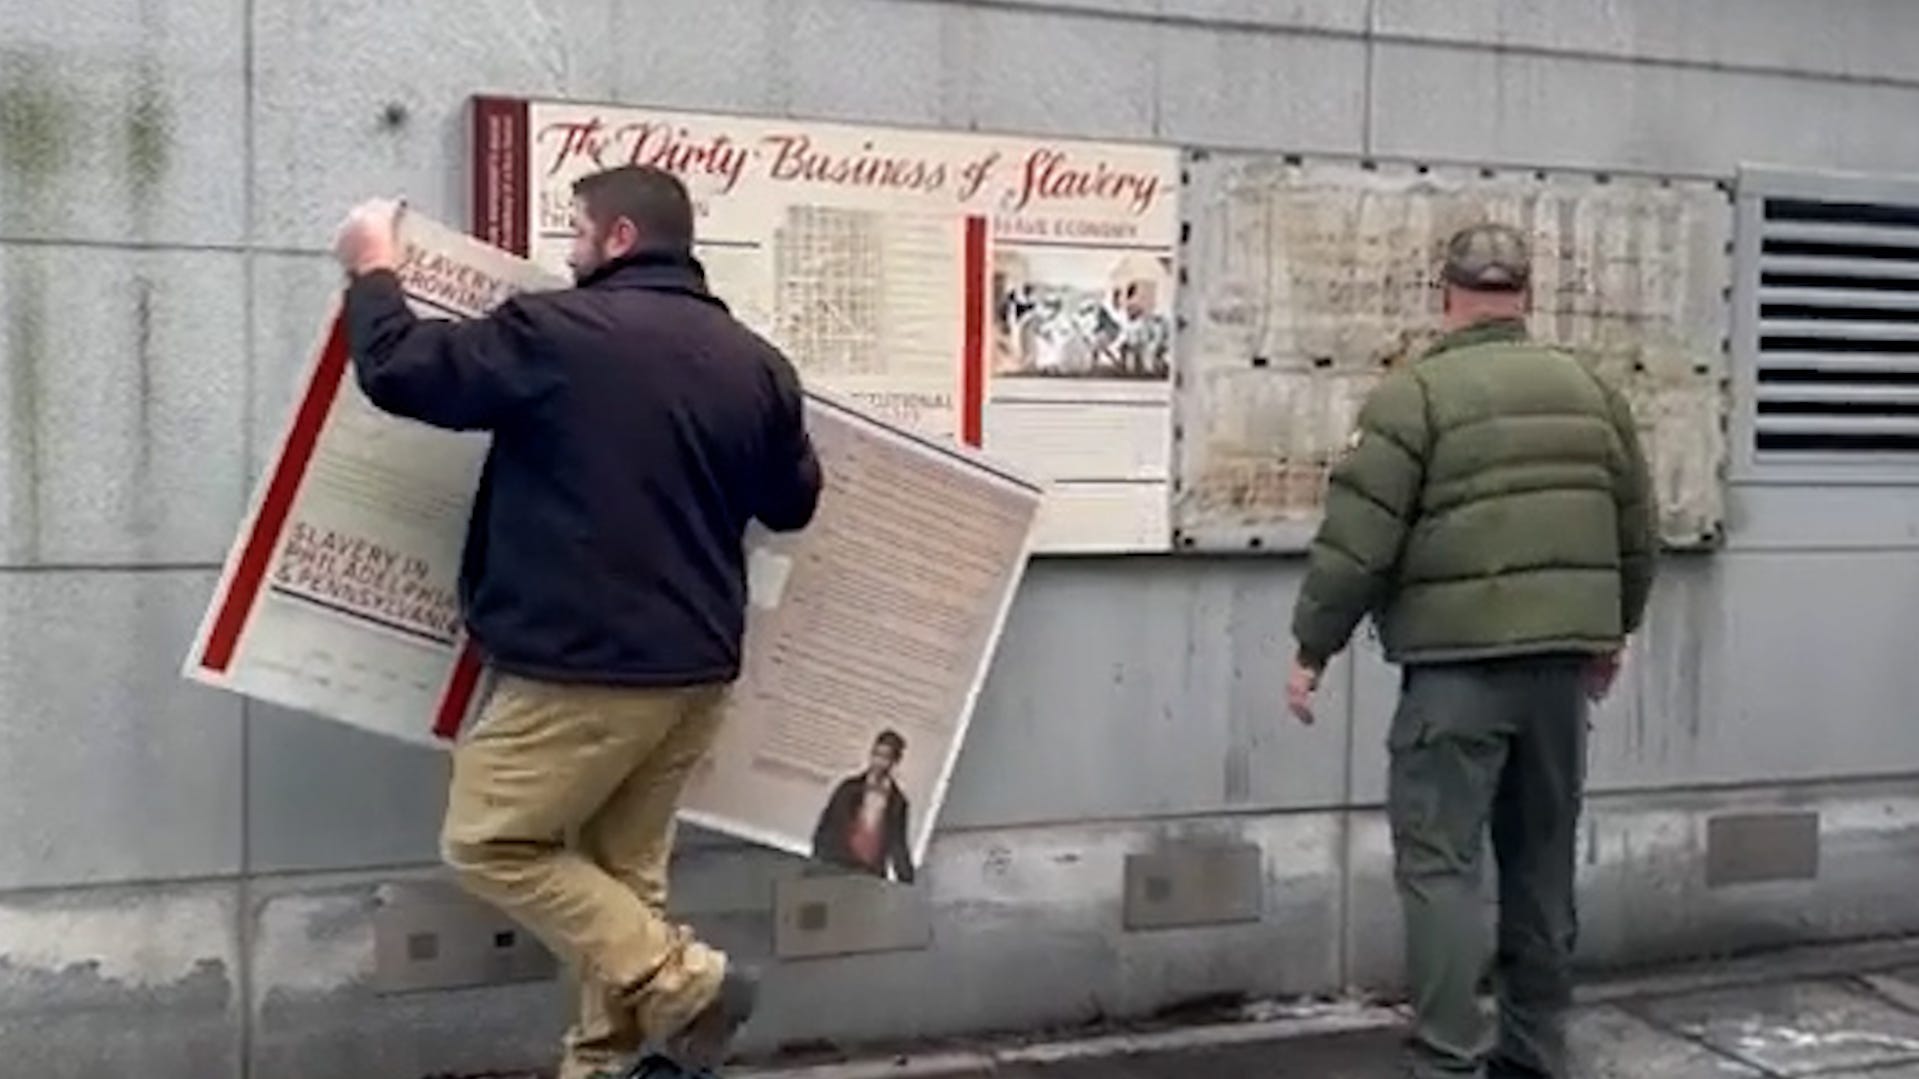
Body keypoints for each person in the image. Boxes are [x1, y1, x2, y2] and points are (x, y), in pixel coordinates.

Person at [331, 164, 823, 1079]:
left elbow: (401, 370)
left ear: (622, 240)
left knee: (489, 840)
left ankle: (681, 978)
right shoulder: (757, 364)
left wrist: (372, 270)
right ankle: (605, 1066)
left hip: (586, 667)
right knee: (622, 873)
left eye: (577, 232)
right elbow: (792, 503)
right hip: (697, 671)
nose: (567, 250)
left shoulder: (557, 332)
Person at [1286, 223, 1655, 1079]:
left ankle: (1448, 1059)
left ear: (1446, 293)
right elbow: (1638, 530)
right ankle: (1532, 1058)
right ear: (1525, 295)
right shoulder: (1591, 394)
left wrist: (1312, 647)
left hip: (1453, 676)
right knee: (1539, 866)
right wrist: (1612, 630)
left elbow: (1357, 542)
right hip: (1560, 674)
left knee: (1441, 865)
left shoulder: (1412, 396)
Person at [809, 730, 916, 884]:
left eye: (885, 757)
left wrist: (907, 881)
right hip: (837, 866)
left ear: (895, 761)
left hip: (870, 874)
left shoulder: (898, 803)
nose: (878, 762)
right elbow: (827, 824)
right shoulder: (848, 788)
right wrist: (820, 860)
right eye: (876, 755)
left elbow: (898, 844)